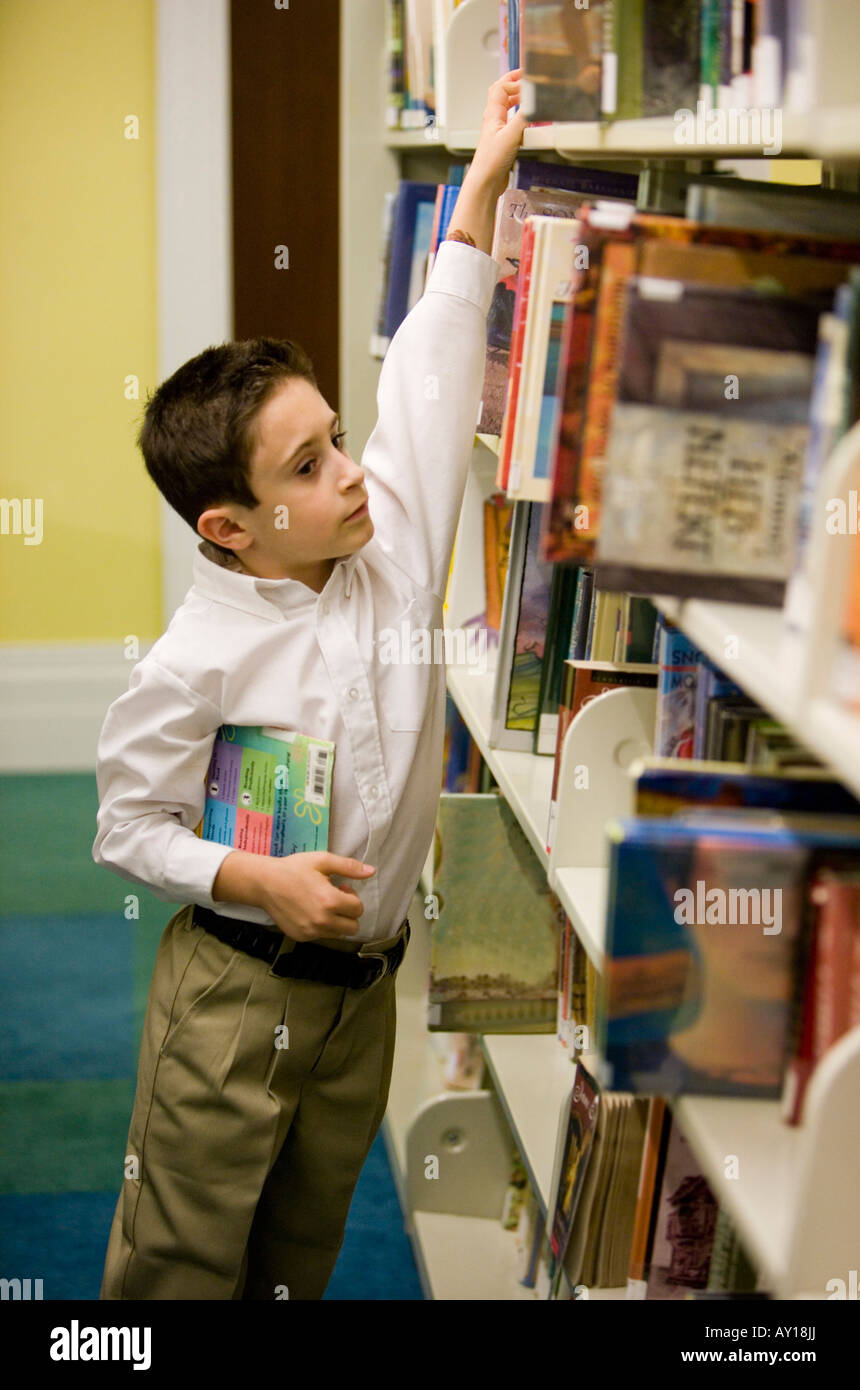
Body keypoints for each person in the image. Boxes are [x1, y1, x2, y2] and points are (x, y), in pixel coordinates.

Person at [92, 72, 528, 1300]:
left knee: (299, 1252)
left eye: (336, 436)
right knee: (182, 1257)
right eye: (310, 462)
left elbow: (436, 374)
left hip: (362, 999)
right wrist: (253, 876)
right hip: (236, 991)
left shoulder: (382, 540)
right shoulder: (195, 660)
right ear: (231, 526)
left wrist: (481, 188)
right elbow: (128, 826)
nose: (350, 473)